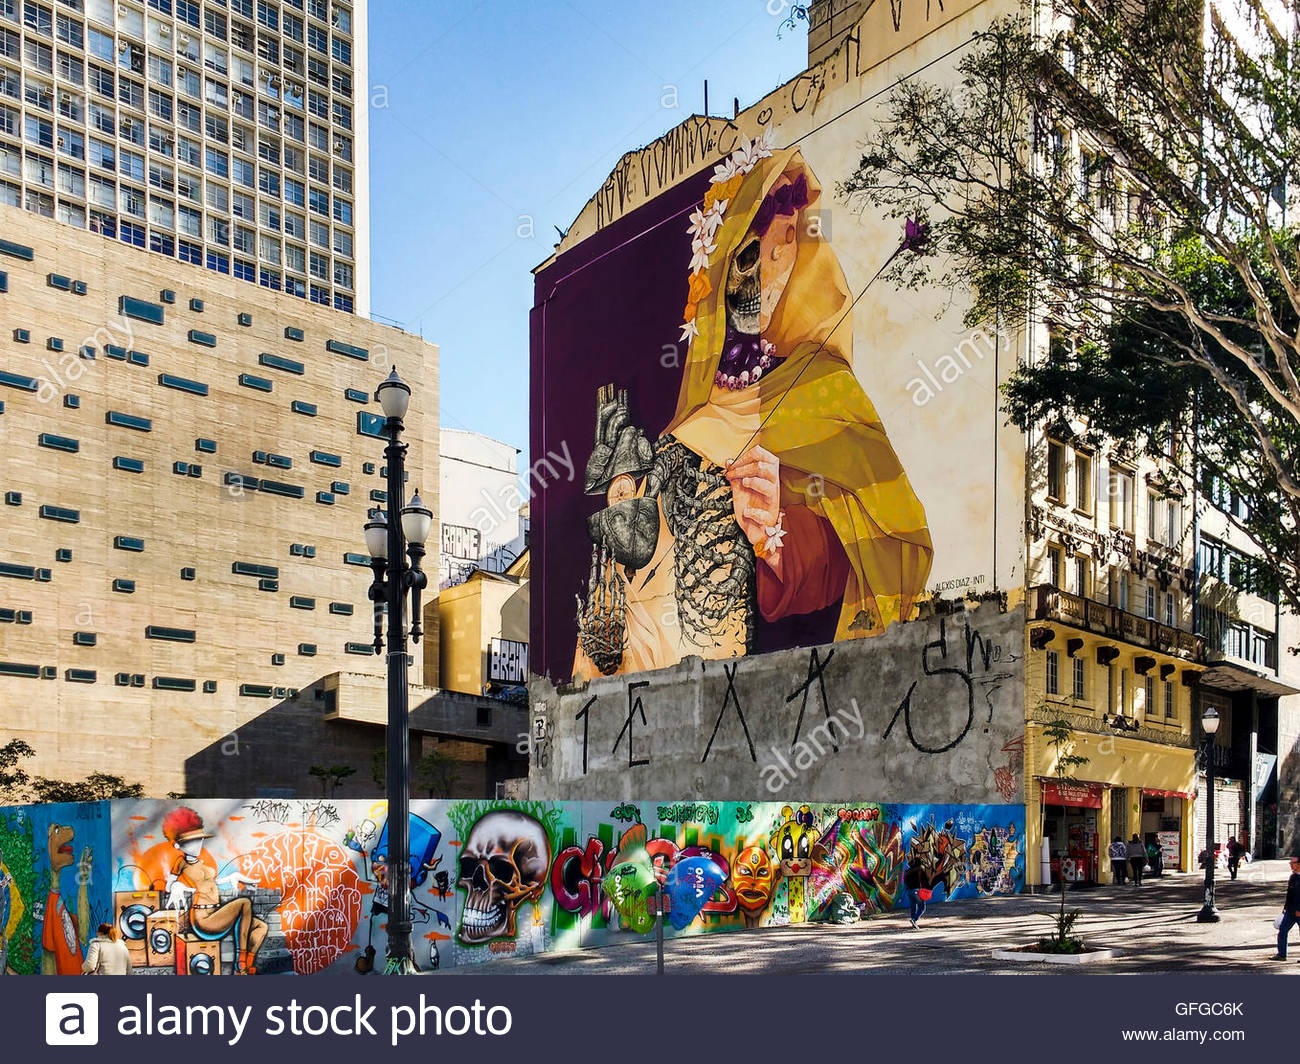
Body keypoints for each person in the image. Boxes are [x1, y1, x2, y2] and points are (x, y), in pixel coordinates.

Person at [573, 134, 934, 680]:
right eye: (751, 253)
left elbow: (875, 542)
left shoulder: (823, 389)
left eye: (788, 239)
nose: (773, 267)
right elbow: (642, 608)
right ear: (719, 271)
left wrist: (775, 537)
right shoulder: (682, 430)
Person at [1271, 853, 1300, 961]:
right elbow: (1290, 894)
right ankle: (1281, 954)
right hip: (1290, 910)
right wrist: (1285, 907)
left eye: (1293, 863)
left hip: (1299, 911)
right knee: (1282, 930)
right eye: (1290, 863)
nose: (1291, 865)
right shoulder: (1293, 877)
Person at [904, 856, 930, 930]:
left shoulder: (907, 871)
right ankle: (914, 920)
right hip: (917, 891)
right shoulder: (919, 870)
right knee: (922, 907)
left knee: (913, 907)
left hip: (909, 891)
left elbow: (905, 881)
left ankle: (913, 921)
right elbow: (926, 880)